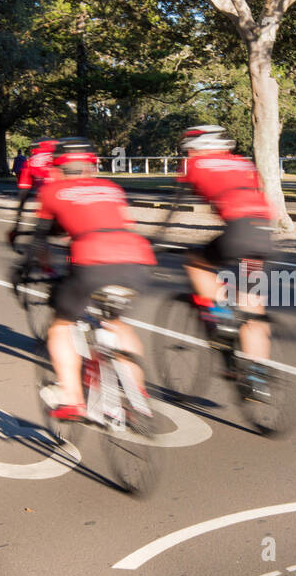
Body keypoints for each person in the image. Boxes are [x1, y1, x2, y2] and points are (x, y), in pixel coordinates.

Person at [23, 137, 156, 422]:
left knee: (61, 326)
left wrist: (25, 268)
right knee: (117, 323)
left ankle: (73, 400)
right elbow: (119, 225)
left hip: (90, 263)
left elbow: (39, 241)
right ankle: (137, 392)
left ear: (56, 168)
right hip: (136, 260)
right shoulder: (112, 188)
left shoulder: (52, 191)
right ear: (91, 167)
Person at [173, 124, 273, 362]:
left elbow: (173, 209)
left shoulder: (194, 165)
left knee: (196, 261)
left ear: (195, 148)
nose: (187, 155)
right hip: (264, 231)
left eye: (189, 150)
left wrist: (156, 239)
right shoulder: (244, 163)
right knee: (253, 304)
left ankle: (221, 314)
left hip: (237, 232)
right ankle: (257, 375)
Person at [7, 138, 55, 249]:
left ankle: (42, 264)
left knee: (40, 238)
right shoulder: (61, 159)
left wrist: (16, 226)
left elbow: (24, 194)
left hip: (49, 205)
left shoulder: (30, 162)